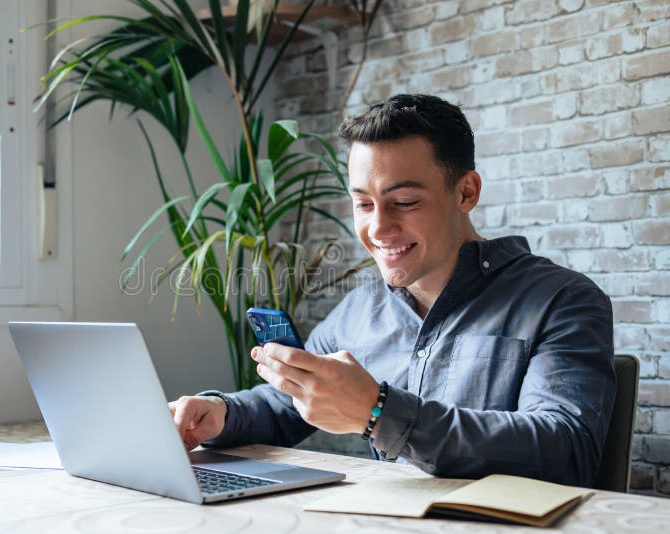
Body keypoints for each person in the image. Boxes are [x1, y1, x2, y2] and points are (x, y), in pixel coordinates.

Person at [169, 94, 616, 487]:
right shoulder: (359, 310)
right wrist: (219, 413)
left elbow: (565, 449)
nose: (378, 227)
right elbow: (288, 403)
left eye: (404, 202)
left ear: (466, 192)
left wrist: (379, 411)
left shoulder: (563, 300)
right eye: (363, 203)